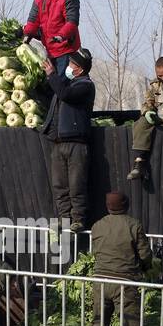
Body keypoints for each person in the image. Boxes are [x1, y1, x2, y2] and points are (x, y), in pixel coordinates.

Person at [85, 191, 154, 326]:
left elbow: (95, 252)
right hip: (124, 283)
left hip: (100, 281)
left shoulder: (97, 226)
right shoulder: (133, 225)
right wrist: (147, 268)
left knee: (98, 323)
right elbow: (145, 255)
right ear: (126, 205)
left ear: (107, 206)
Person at [42, 48, 96, 233]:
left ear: (80, 69)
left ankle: (78, 220)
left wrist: (52, 76)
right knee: (60, 186)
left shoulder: (85, 85)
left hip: (77, 144)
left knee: (76, 185)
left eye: (73, 64)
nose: (69, 67)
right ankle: (64, 219)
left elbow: (66, 95)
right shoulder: (67, 83)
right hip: (58, 142)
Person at [22, 0, 82, 77]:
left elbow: (72, 22)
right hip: (49, 50)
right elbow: (33, 20)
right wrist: (26, 32)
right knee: (50, 83)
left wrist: (61, 36)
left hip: (66, 50)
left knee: (61, 83)